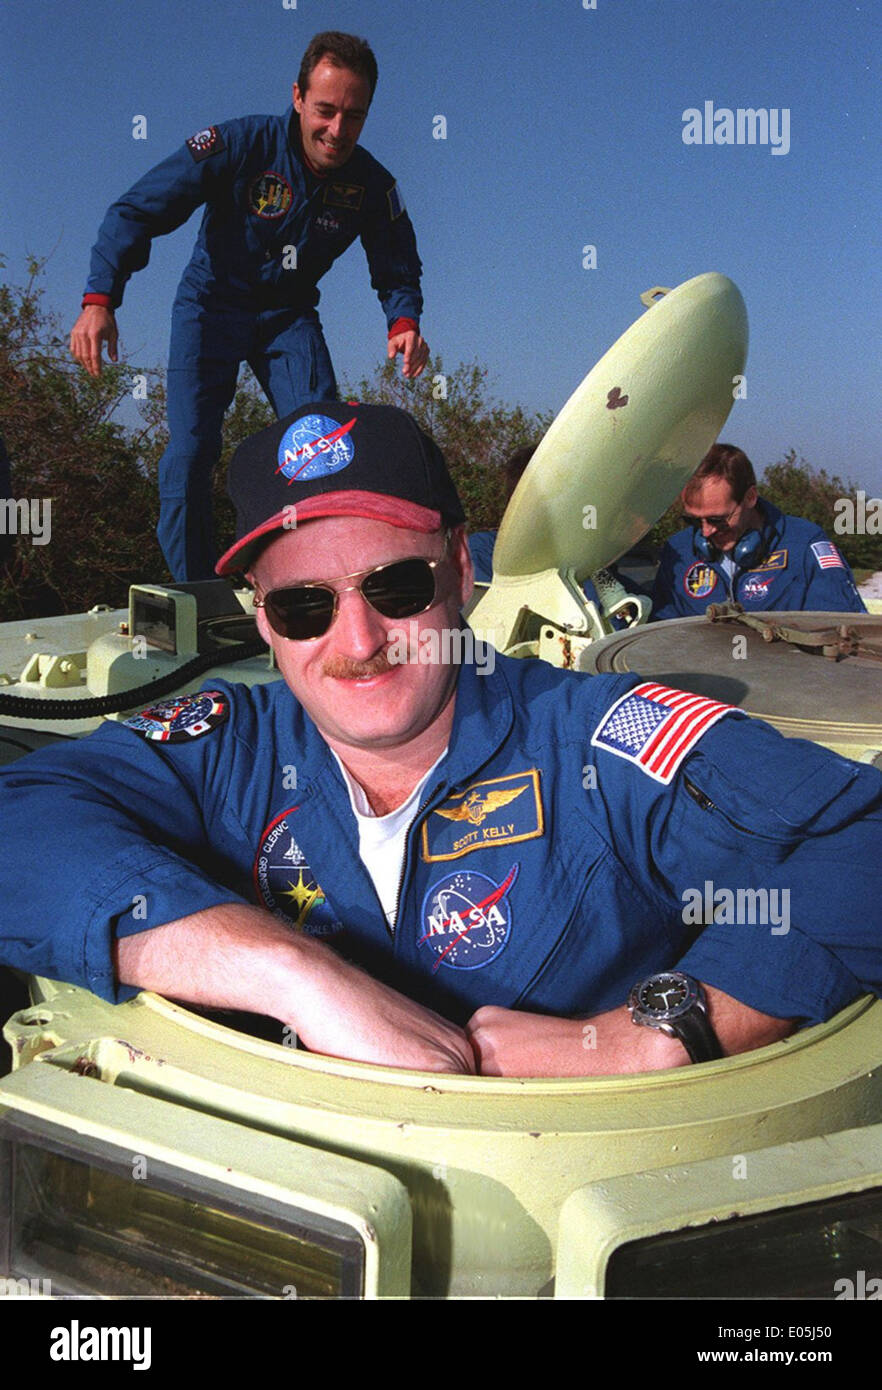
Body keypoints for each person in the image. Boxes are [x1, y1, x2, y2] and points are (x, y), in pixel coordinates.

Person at [0, 403, 880, 1078]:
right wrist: (284, 969)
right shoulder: (230, 746)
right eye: (303, 604)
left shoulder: (601, 742)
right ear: (260, 621)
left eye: (396, 585)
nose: (356, 643)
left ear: (461, 567)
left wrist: (661, 1030)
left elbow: (865, 839)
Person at [69, 31, 428, 583]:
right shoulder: (240, 145)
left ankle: (318, 579)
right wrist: (100, 298)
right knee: (191, 452)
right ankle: (196, 593)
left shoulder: (372, 185)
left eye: (353, 116)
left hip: (288, 318)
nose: (337, 130)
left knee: (324, 447)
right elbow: (136, 210)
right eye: (326, 110)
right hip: (210, 307)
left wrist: (403, 319)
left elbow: (397, 259)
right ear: (298, 97)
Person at [651, 443, 866, 620]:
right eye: (694, 521)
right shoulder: (677, 552)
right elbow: (659, 633)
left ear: (750, 497)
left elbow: (840, 634)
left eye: (717, 520)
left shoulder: (805, 546)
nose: (706, 532)